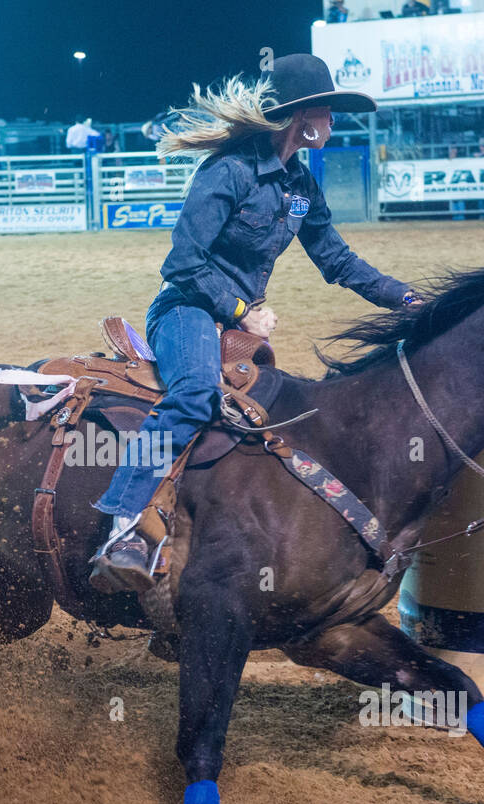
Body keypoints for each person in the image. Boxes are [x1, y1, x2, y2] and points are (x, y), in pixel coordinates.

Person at [89, 53, 420, 593]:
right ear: (302, 117)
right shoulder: (229, 171)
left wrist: (406, 299)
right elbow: (182, 263)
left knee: (271, 416)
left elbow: (337, 261)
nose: (334, 122)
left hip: (234, 324)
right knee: (195, 394)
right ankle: (123, 528)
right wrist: (242, 311)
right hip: (187, 309)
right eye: (328, 111)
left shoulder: (299, 186)